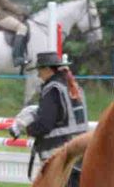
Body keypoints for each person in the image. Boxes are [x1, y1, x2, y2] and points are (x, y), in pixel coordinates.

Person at [13, 52, 87, 186]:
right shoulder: (73, 86)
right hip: (79, 152)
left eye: (39, 70)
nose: (38, 75)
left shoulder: (52, 89)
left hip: (59, 153)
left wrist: (27, 129)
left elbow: (45, 124)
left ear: (47, 69)